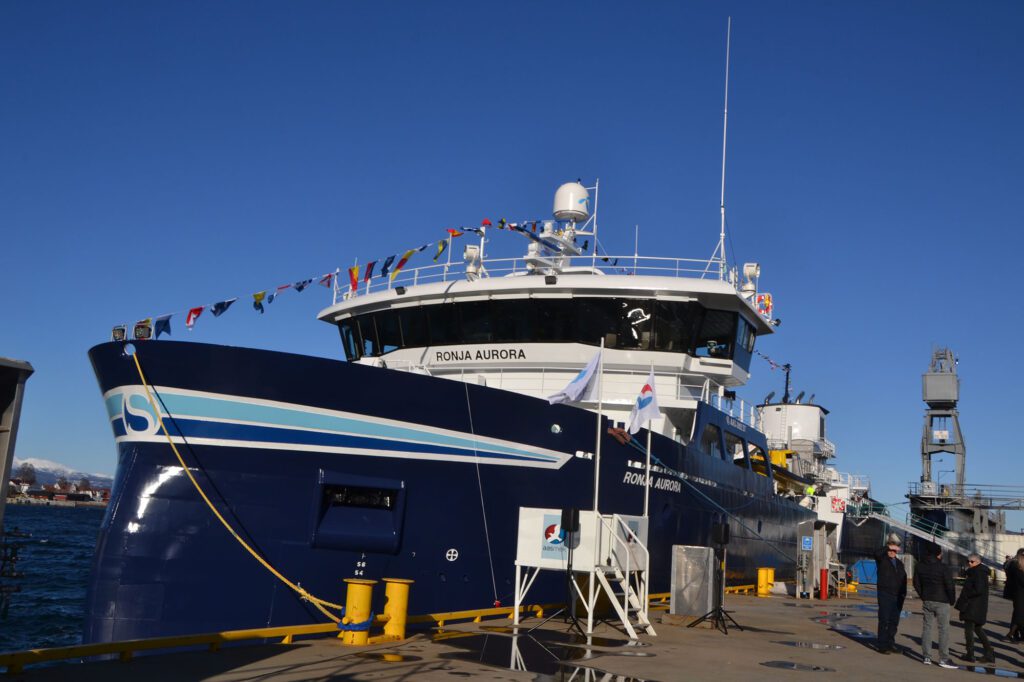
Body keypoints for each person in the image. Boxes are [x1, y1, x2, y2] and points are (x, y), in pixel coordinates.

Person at [913, 545, 957, 667]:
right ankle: (943, 658)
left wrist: (923, 595)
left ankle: (926, 656)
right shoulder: (943, 567)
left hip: (927, 599)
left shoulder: (920, 566)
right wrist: (951, 600)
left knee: (927, 628)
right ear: (939, 554)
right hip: (942, 601)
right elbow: (950, 585)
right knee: (943, 629)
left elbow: (916, 583)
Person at [956, 553, 995, 663]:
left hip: (973, 606)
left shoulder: (978, 572)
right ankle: (989, 652)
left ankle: (970, 654)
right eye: (968, 561)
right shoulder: (977, 572)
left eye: (972, 561)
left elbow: (978, 589)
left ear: (978, 562)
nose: (969, 563)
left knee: (969, 630)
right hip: (976, 606)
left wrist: (966, 595)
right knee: (977, 629)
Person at [875, 538, 907, 654]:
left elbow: (903, 579)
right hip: (885, 594)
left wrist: (903, 594)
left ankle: (890, 643)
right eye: (891, 549)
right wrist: (889, 547)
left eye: (895, 549)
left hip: (897, 596)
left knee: (894, 621)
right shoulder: (882, 559)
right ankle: (882, 645)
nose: (893, 552)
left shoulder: (899, 563)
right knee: (884, 620)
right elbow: (877, 553)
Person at [1007, 549, 1024, 642]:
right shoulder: (1016, 567)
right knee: (1019, 616)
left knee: (1018, 615)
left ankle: (1014, 634)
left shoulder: (1018, 566)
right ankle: (1012, 634)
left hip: (1018, 594)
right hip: (1019, 595)